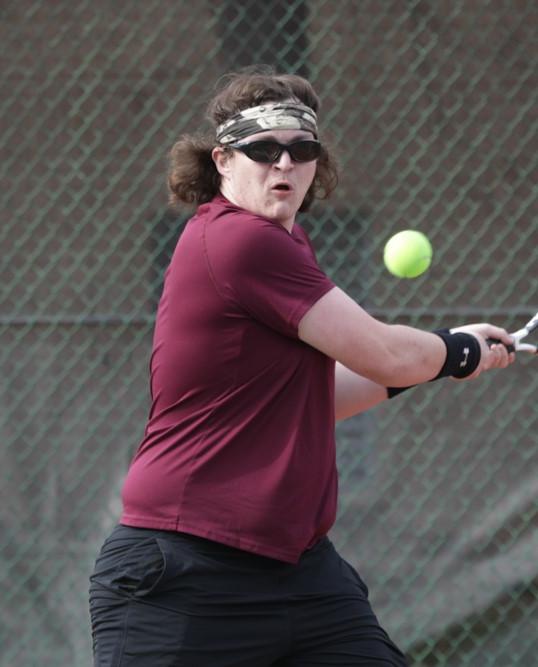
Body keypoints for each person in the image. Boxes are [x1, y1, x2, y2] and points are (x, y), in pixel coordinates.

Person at [89, 65, 515, 666]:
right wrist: (456, 349)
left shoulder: (287, 243)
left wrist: (441, 361)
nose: (284, 164)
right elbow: (384, 351)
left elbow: (318, 397)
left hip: (301, 577)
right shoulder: (240, 241)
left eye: (301, 149)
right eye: (263, 149)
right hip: (185, 575)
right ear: (223, 161)